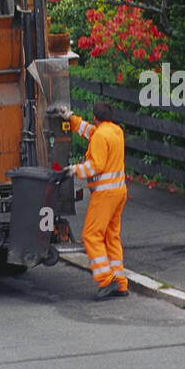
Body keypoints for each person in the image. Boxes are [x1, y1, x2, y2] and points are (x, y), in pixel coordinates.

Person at [62, 100, 128, 299]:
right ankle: (120, 282)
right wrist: (71, 118)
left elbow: (95, 166)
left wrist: (75, 169)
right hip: (119, 192)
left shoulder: (100, 135)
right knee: (111, 236)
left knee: (91, 235)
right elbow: (90, 132)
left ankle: (106, 281)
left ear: (96, 118)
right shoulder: (116, 131)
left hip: (104, 194)